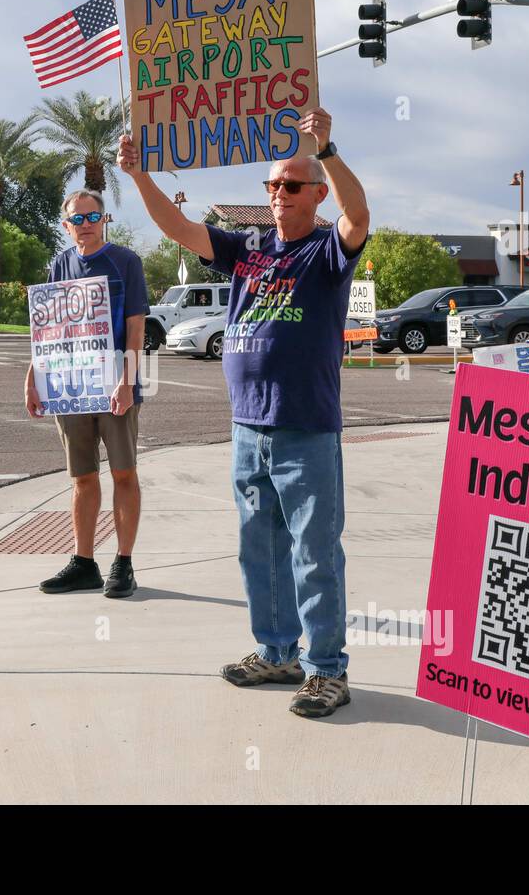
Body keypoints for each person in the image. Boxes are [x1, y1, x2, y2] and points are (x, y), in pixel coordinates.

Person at [119, 108, 370, 718]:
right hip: (247, 426)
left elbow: (358, 215)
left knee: (314, 552)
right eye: (272, 185)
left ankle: (327, 669)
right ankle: (279, 651)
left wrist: (328, 148)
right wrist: (138, 175)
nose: (278, 195)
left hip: (305, 426)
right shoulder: (248, 250)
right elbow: (179, 228)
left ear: (314, 195)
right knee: (259, 549)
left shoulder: (326, 253)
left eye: (290, 185)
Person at [26, 189, 149, 599]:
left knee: (124, 472)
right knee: (82, 476)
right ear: (66, 226)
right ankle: (83, 563)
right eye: (76, 219)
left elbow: (135, 327)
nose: (85, 225)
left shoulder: (126, 261)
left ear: (104, 219)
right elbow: (48, 328)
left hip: (115, 382)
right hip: (70, 385)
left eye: (92, 216)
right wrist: (34, 376)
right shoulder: (61, 263)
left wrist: (128, 380)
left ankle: (123, 563)